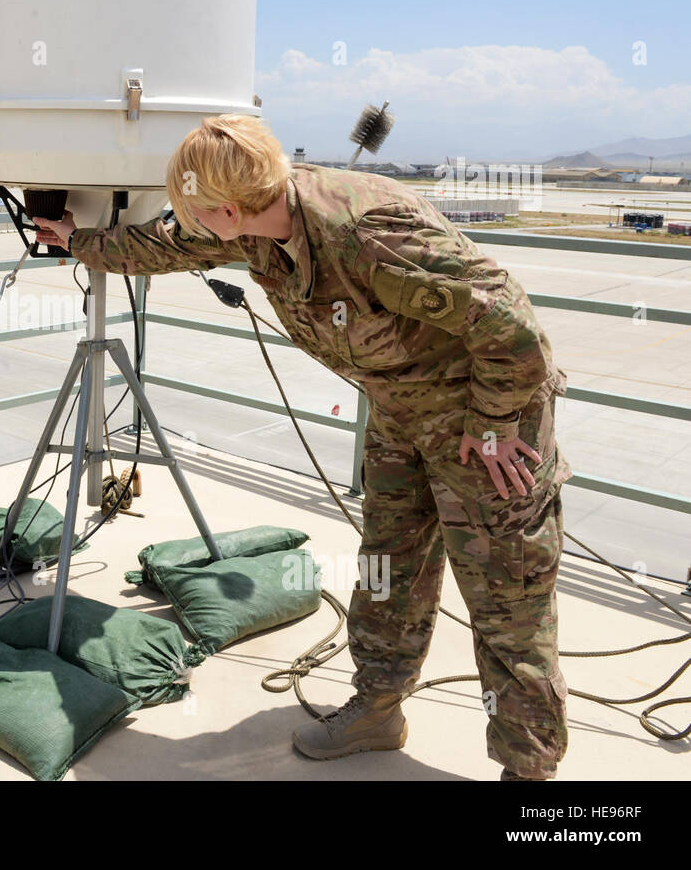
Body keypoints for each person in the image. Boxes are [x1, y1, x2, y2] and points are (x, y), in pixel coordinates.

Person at [33, 114, 571, 781]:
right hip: (404, 417)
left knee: (506, 604)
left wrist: (493, 422)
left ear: (229, 207)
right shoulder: (259, 223)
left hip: (485, 428)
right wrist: (79, 241)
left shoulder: (366, 233)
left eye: (195, 209)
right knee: (388, 570)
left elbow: (510, 323)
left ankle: (529, 773)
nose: (188, 220)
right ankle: (378, 708)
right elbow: (168, 246)